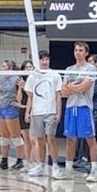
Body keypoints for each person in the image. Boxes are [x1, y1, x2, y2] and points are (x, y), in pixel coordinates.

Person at [58, 41, 97, 182]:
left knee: (90, 139)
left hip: (84, 107)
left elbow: (84, 87)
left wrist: (71, 86)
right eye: (76, 50)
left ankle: (94, 170)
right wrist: (75, 86)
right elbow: (63, 92)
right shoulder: (69, 69)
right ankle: (68, 170)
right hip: (71, 107)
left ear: (86, 52)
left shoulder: (91, 69)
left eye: (81, 50)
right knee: (70, 139)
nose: (78, 52)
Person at [24, 50, 64, 178]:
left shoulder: (55, 75)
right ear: (38, 61)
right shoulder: (32, 76)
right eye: (42, 59)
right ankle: (40, 165)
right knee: (40, 140)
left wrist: (58, 112)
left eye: (46, 59)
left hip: (50, 111)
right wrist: (27, 112)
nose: (44, 62)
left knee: (51, 138)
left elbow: (59, 95)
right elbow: (30, 96)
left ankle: (55, 165)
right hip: (36, 112)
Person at [0, 59, 26, 171]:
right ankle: (4, 161)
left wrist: (17, 103)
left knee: (16, 136)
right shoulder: (1, 80)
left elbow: (20, 94)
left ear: (10, 68)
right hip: (1, 108)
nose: (2, 68)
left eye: (4, 66)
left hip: (11, 109)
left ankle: (20, 161)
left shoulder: (16, 78)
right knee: (4, 137)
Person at [18, 59, 35, 162]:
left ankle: (34, 162)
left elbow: (32, 96)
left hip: (34, 111)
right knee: (25, 140)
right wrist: (20, 88)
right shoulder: (21, 80)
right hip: (23, 111)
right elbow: (19, 99)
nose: (29, 69)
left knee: (33, 139)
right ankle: (27, 162)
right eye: (26, 67)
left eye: (30, 67)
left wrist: (24, 87)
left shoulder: (35, 80)